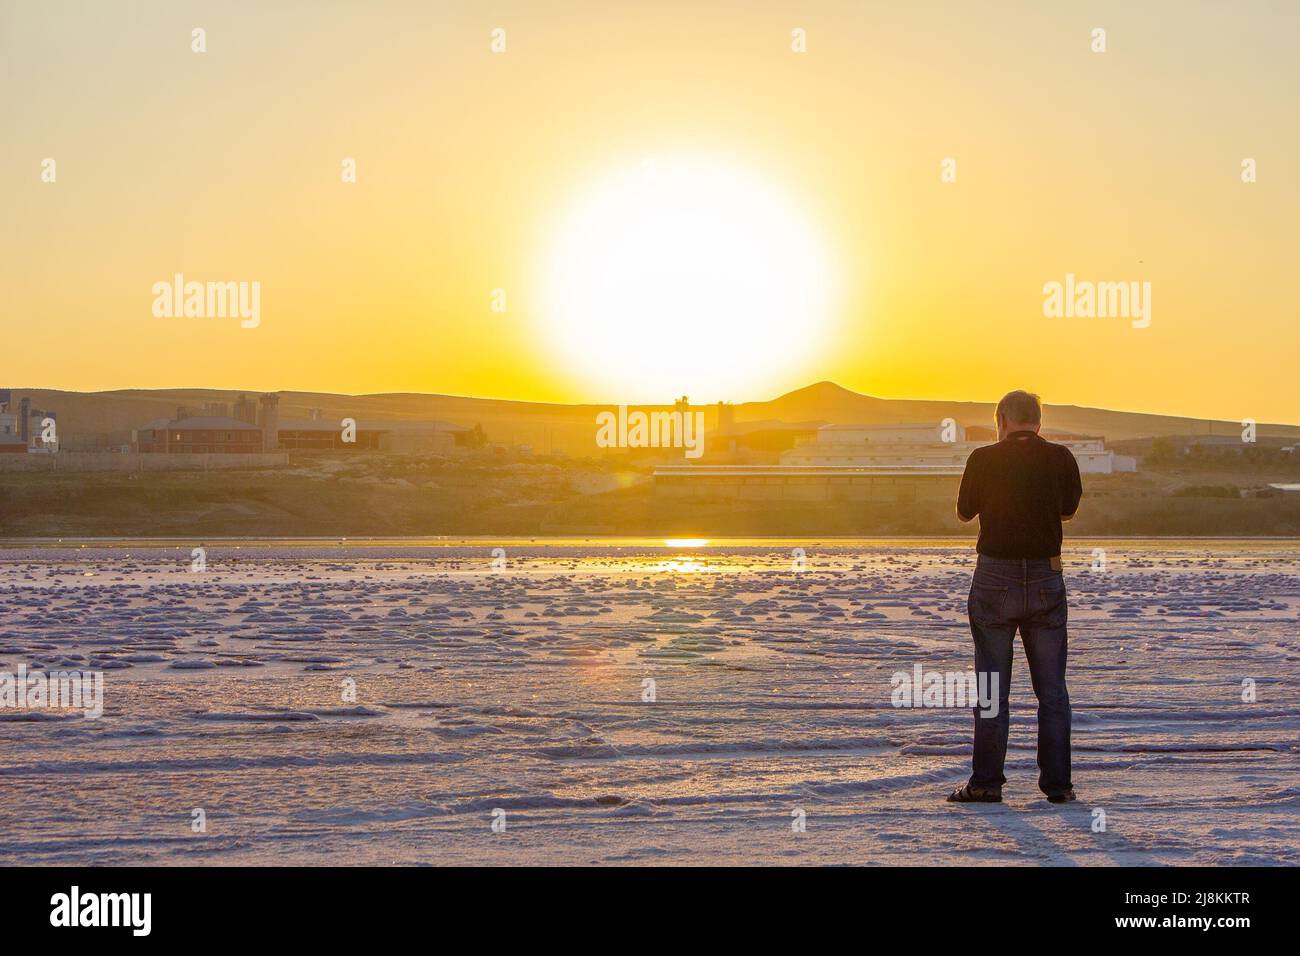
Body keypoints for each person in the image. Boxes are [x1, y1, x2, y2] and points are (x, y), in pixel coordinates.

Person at [947, 390, 1082, 804]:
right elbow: (1067, 511)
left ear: (1001, 419)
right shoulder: (1060, 457)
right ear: (1038, 422)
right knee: (1052, 690)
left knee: (992, 688)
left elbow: (964, 512)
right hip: (1045, 575)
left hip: (994, 578)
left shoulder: (982, 459)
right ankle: (1058, 786)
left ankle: (987, 783)